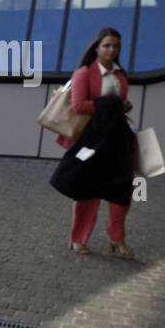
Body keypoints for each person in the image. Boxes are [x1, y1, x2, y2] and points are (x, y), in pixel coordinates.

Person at [54, 28, 136, 258]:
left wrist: (121, 105)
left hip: (118, 139)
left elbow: (119, 103)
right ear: (97, 47)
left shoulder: (120, 74)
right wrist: (112, 104)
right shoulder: (84, 73)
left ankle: (116, 239)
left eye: (116, 46)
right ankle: (78, 239)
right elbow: (79, 105)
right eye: (107, 45)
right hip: (92, 139)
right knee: (87, 191)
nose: (111, 50)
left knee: (121, 192)